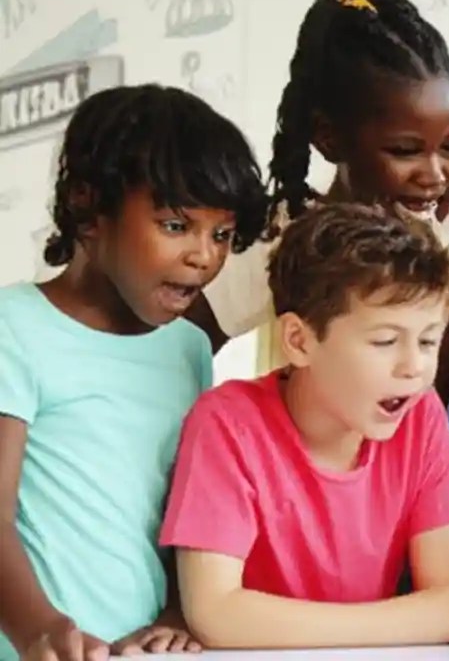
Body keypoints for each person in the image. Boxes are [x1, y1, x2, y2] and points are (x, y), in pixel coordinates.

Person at [160, 203, 449, 649]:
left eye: (427, 340)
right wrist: (423, 617)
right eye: (385, 341)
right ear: (299, 341)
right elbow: (216, 615)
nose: (414, 367)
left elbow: (448, 596)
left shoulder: (420, 419)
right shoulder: (227, 424)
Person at [0, 84, 268, 661]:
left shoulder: (189, 349)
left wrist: (176, 615)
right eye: (176, 226)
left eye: (221, 234)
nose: (204, 255)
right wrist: (40, 630)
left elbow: (183, 510)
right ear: (88, 209)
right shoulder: (13, 328)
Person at [187, 0, 449, 402]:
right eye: (404, 150)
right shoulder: (283, 234)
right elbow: (179, 346)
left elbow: (440, 401)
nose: (435, 174)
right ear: (329, 138)